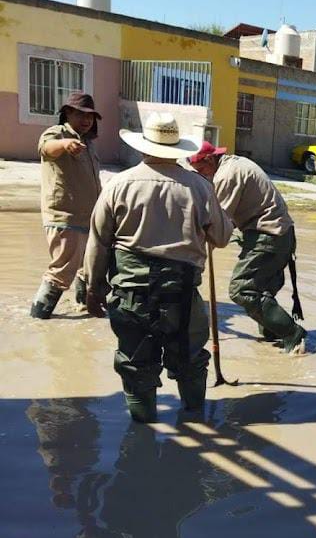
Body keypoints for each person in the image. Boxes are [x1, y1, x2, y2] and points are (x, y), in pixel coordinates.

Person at [83, 113, 232, 423]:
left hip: (132, 296)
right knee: (190, 360)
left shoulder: (118, 184)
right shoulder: (200, 186)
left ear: (143, 147)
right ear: (177, 147)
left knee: (136, 364)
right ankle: (194, 420)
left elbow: (98, 242)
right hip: (182, 296)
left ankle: (142, 436)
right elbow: (221, 236)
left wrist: (93, 288)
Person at [207, 150, 306, 355]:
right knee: (261, 291)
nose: (202, 176)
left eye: (200, 170)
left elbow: (220, 224)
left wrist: (197, 250)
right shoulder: (235, 164)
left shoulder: (226, 174)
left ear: (209, 160)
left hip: (269, 235)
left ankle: (293, 334)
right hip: (281, 234)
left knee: (241, 290)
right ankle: (275, 332)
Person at [31, 92, 102, 319]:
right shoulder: (58, 134)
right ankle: (38, 318)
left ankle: (84, 309)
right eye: (81, 114)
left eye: (90, 116)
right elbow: (46, 148)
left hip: (88, 217)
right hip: (65, 216)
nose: (87, 120)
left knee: (87, 269)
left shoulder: (88, 144)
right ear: (67, 113)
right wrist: (64, 143)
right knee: (62, 270)